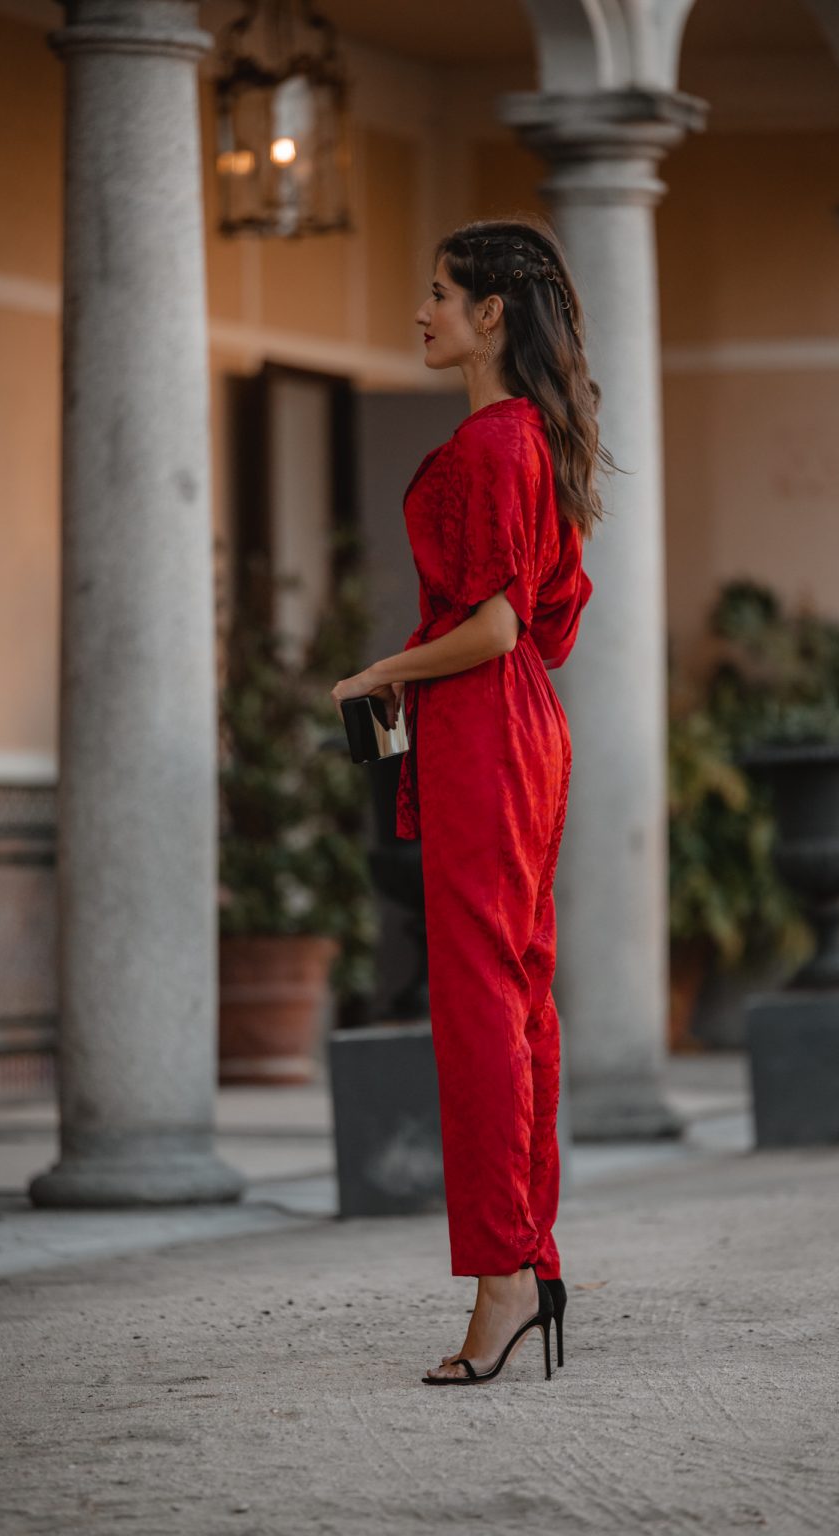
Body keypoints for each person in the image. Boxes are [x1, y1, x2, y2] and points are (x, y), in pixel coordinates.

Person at [331, 215, 613, 1385]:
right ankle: (528, 1259)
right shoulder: (530, 438)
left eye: (439, 292)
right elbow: (531, 625)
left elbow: (496, 624)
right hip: (519, 730)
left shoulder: (498, 445)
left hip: (489, 731)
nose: (423, 310)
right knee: (517, 999)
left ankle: (504, 1280)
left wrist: (380, 672)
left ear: (492, 313)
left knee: (482, 1010)